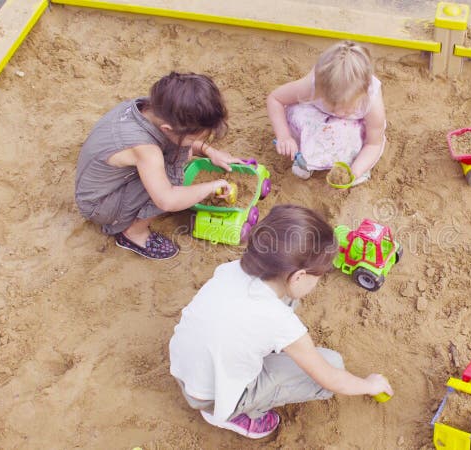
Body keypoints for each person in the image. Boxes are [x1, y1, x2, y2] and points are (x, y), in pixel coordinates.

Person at [169, 205, 393, 439]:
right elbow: (331, 378)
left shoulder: (229, 270)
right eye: (319, 275)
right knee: (334, 363)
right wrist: (370, 385)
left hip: (186, 366)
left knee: (284, 304)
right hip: (212, 395)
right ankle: (237, 414)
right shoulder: (279, 322)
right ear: (299, 276)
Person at [75, 72, 241, 260]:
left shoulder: (156, 108)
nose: (200, 142)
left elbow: (176, 138)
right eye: (196, 139)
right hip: (99, 204)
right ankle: (133, 233)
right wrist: (212, 186)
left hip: (102, 182)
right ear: (167, 129)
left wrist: (210, 152)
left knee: (180, 150)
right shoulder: (146, 150)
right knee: (174, 169)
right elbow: (166, 200)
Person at [267, 41, 386, 185]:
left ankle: (357, 165)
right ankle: (306, 157)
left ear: (363, 94)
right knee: (296, 114)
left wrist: (354, 172)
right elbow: (275, 99)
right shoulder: (312, 85)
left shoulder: (371, 102)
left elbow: (373, 143)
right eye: (331, 105)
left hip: (351, 128)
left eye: (347, 109)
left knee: (350, 136)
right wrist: (284, 136)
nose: (338, 112)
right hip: (318, 117)